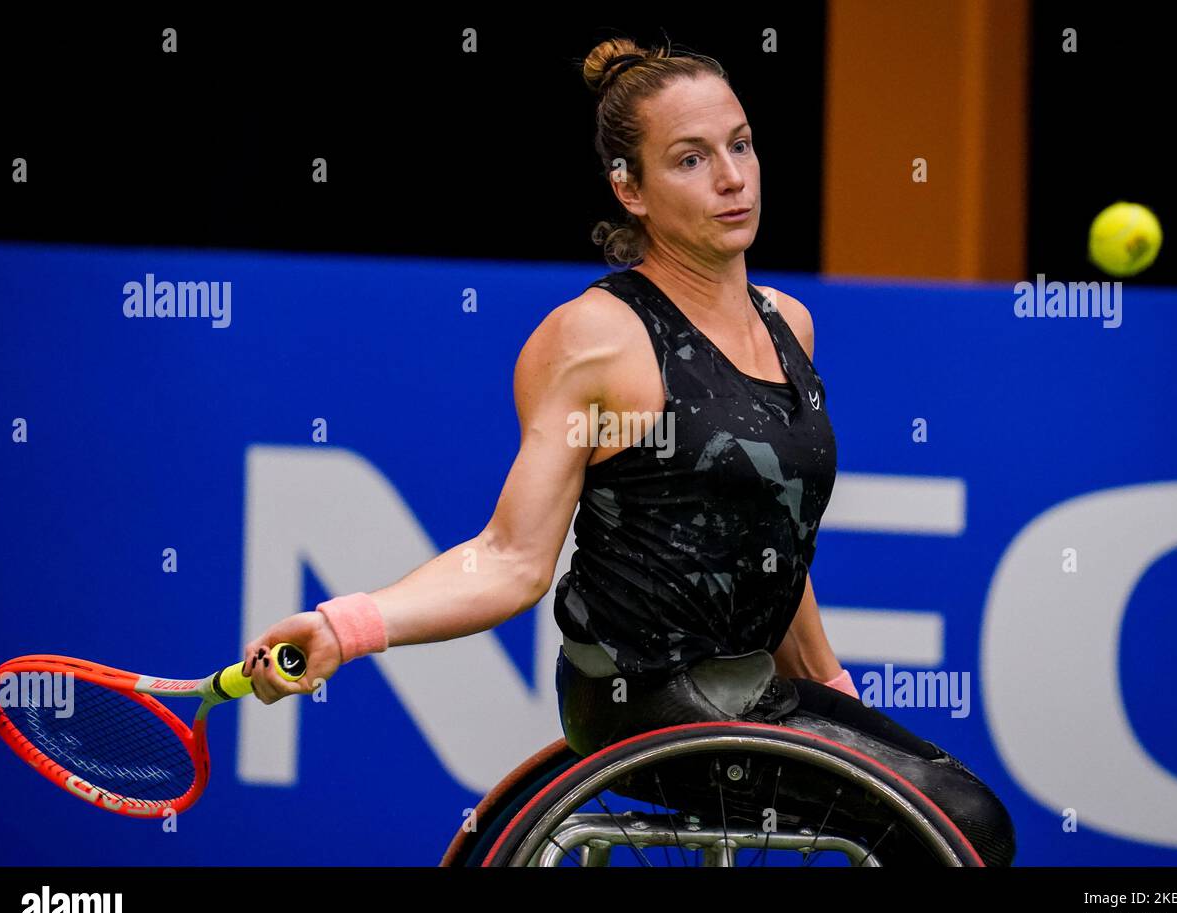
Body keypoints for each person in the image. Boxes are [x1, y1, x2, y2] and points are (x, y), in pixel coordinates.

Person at [242, 38, 1016, 866]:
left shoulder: (789, 324)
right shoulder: (595, 341)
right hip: (641, 696)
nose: (732, 177)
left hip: (750, 687)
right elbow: (510, 559)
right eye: (690, 159)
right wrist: (345, 626)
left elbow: (766, 533)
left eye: (741, 144)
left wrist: (832, 700)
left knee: (962, 822)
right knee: (965, 826)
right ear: (630, 187)